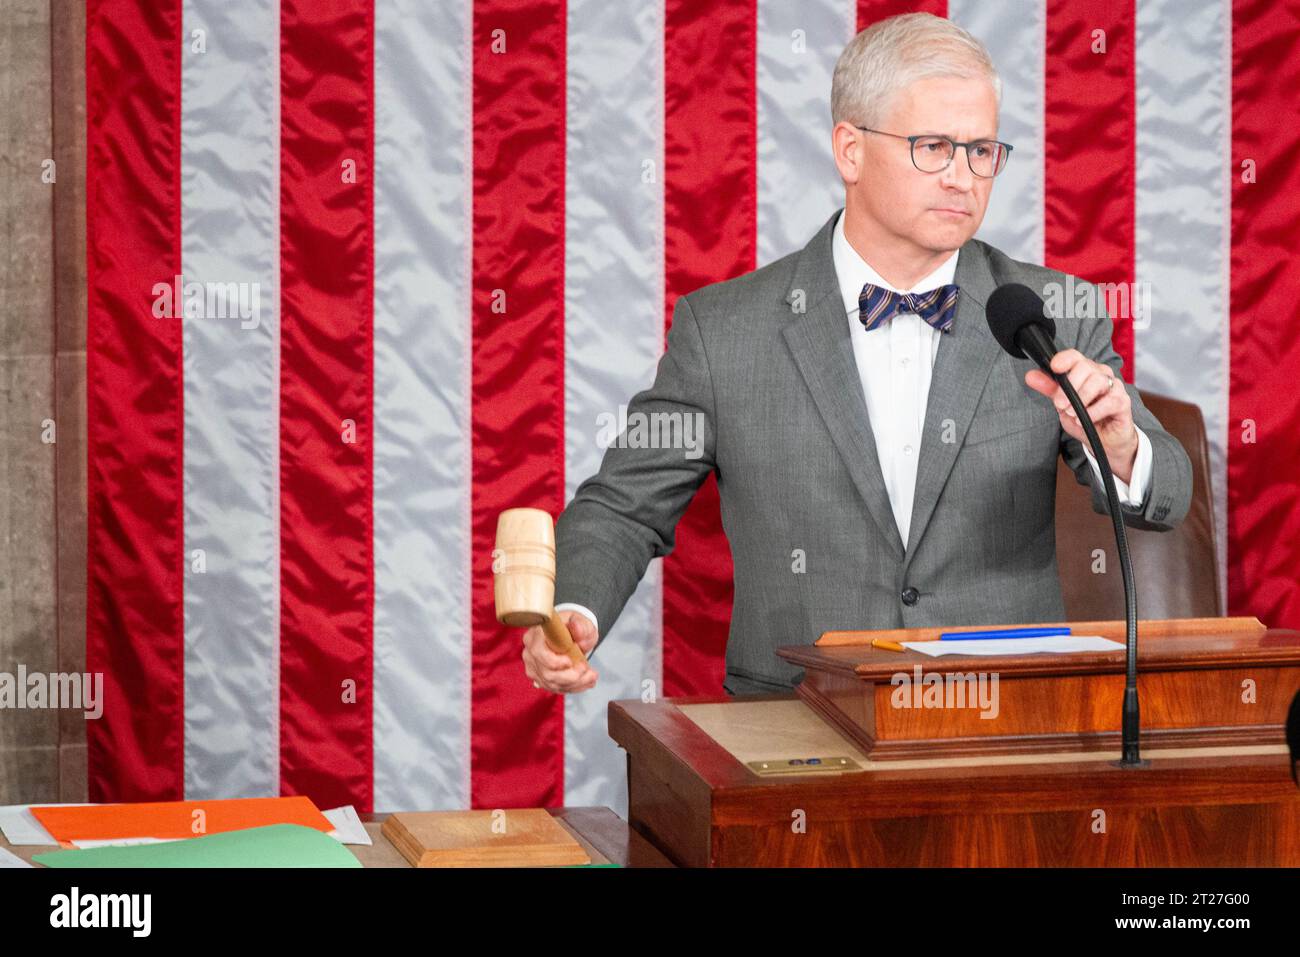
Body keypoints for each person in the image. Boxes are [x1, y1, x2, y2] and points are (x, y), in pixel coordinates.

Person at [520, 12, 1192, 696]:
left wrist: (1123, 447)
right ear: (850, 150)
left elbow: (1167, 493)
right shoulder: (722, 330)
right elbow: (624, 506)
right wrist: (573, 609)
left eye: (982, 150)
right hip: (796, 728)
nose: (963, 177)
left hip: (1003, 724)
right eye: (933, 146)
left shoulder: (1051, 311)